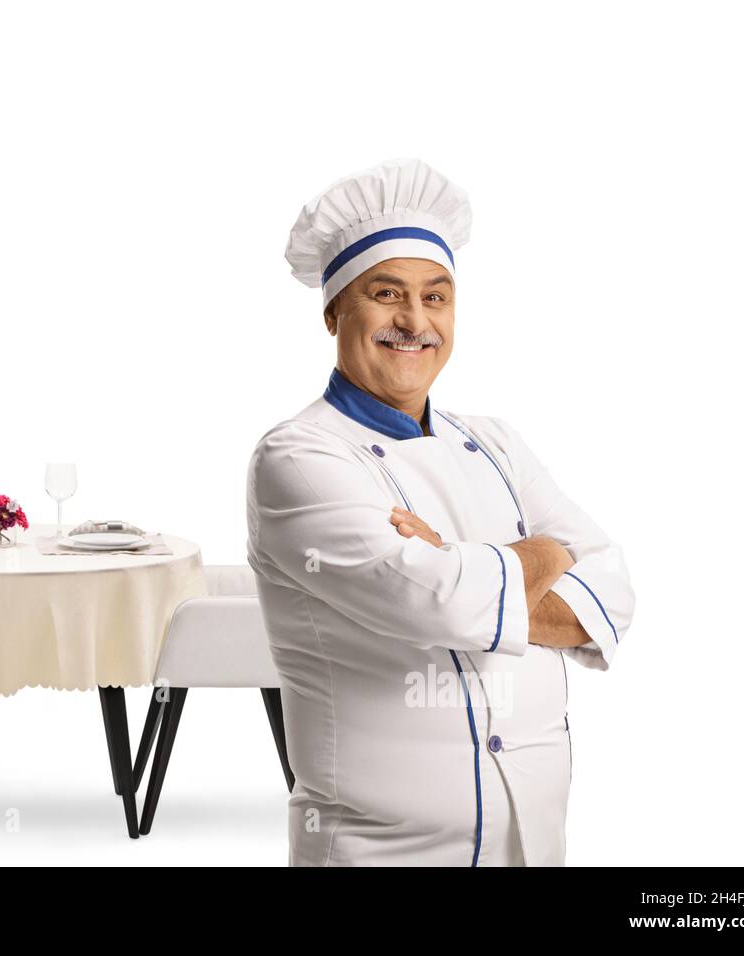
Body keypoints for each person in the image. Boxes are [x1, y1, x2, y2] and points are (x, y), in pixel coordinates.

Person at [245, 157, 635, 866]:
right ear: (334, 310)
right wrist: (547, 554)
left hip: (533, 844)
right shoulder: (297, 458)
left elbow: (615, 591)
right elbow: (443, 605)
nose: (414, 321)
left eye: (436, 297)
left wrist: (464, 566)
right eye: (386, 294)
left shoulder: (496, 441)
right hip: (383, 852)